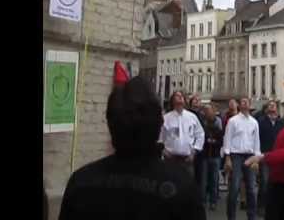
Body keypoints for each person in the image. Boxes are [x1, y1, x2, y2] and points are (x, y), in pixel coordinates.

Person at [58, 78, 205, 219]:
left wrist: (193, 151)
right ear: (160, 123)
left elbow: (200, 134)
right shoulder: (182, 188)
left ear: (109, 123)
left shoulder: (81, 183)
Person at [224, 97, 261, 220]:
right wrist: (227, 157)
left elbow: (256, 142)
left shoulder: (254, 122)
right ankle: (231, 217)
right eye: (242, 102)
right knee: (234, 187)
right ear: (239, 105)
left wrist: (257, 158)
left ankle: (251, 216)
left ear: (250, 105)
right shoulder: (233, 121)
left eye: (246, 102)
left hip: (250, 155)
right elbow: (227, 139)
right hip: (236, 155)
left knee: (251, 188)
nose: (244, 103)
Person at [257, 100, 284, 214]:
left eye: (274, 105)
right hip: (265, 155)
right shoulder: (261, 122)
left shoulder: (281, 123)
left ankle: (276, 206)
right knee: (264, 182)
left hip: (278, 157)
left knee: (277, 182)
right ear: (267, 108)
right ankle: (262, 206)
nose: (272, 107)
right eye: (270, 105)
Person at [201, 105, 225, 211]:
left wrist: (213, 141)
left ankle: (213, 201)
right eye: (207, 112)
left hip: (215, 155)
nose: (209, 114)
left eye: (210, 112)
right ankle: (203, 201)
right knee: (204, 180)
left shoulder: (218, 125)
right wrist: (209, 141)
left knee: (214, 180)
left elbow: (220, 140)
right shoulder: (202, 125)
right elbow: (202, 139)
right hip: (205, 155)